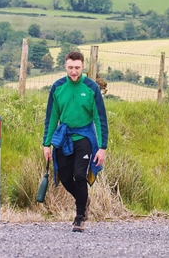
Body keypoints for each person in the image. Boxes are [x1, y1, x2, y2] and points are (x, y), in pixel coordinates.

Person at [42, 51, 108, 233]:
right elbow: (52, 117)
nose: (74, 72)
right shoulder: (57, 87)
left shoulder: (91, 88)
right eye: (70, 67)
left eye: (77, 68)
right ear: (65, 66)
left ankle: (79, 217)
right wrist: (46, 144)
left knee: (80, 175)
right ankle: (83, 199)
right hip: (64, 137)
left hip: (84, 137)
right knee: (64, 177)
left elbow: (100, 118)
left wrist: (102, 148)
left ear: (82, 67)